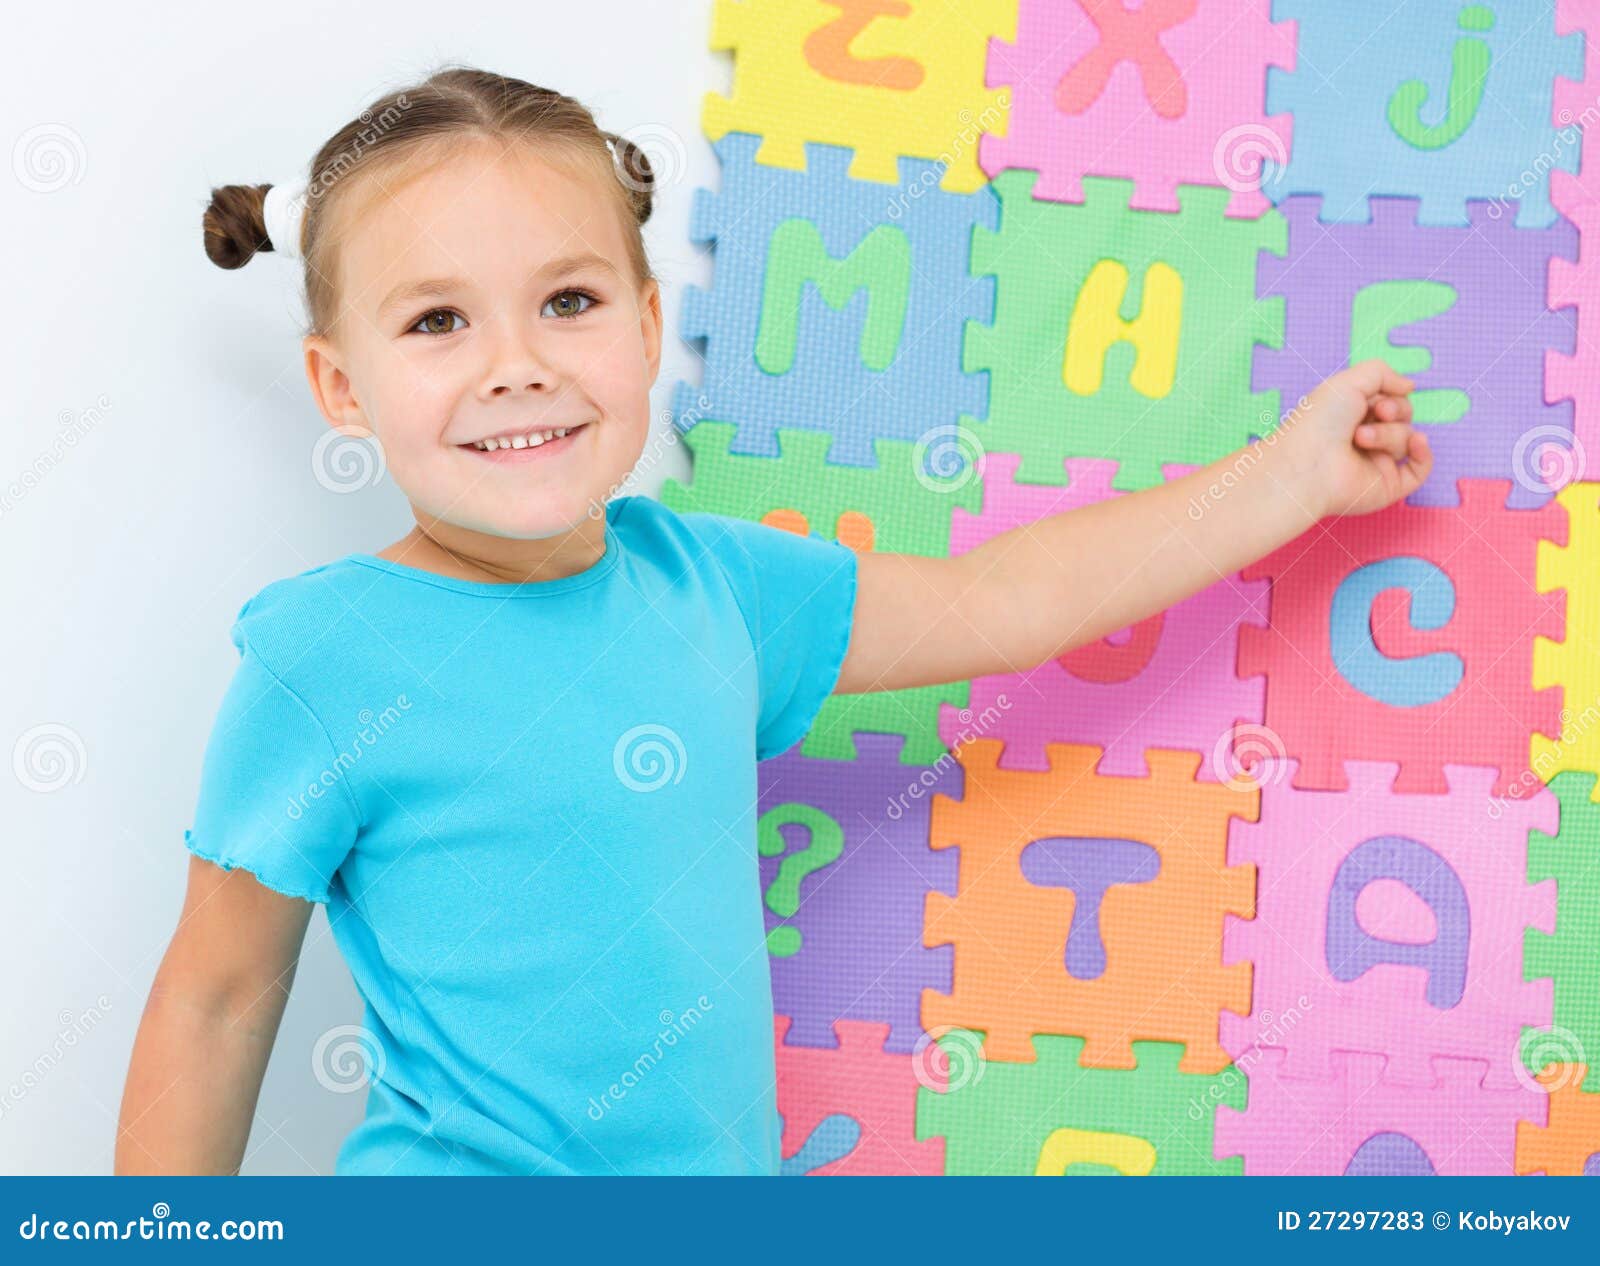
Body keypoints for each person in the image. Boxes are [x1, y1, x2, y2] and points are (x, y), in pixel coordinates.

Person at [116, 65, 1429, 1177]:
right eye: (438, 320)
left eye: (568, 301)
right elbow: (217, 997)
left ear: (646, 325)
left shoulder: (716, 588)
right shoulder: (324, 660)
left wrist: (1290, 477)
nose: (516, 363)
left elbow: (1008, 600)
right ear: (341, 387)